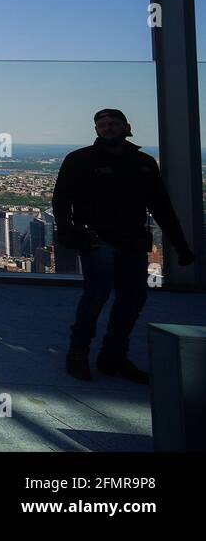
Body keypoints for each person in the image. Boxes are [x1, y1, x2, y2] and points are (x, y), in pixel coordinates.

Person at [52, 107, 196, 383]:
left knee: (132, 299)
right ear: (96, 130)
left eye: (113, 123)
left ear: (126, 126)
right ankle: (78, 354)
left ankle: (113, 356)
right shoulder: (79, 160)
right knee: (96, 296)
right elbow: (61, 201)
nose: (108, 128)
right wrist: (69, 233)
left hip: (132, 240)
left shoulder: (143, 162)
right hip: (96, 239)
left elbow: (161, 206)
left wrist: (180, 246)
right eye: (102, 124)